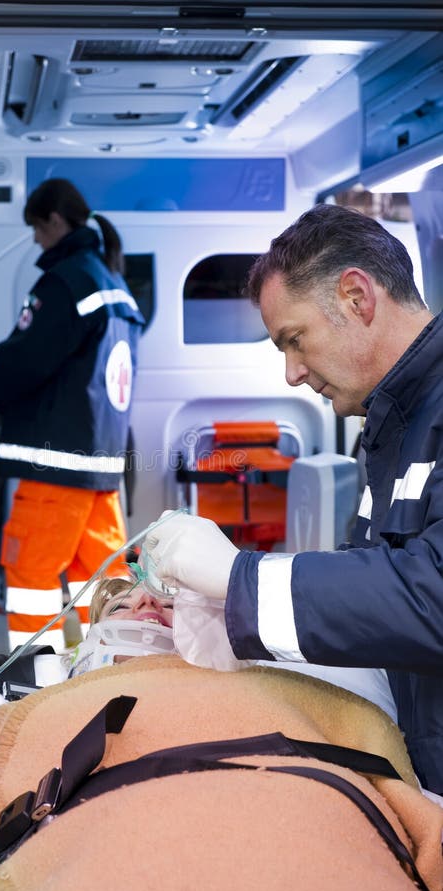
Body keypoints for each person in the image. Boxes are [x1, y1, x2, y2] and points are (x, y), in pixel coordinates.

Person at [142, 202, 443, 795]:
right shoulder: (393, 427)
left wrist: (240, 579)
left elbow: (433, 596)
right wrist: (222, 607)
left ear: (357, 298)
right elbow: (374, 585)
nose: (291, 374)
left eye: (294, 339)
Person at [0, 178, 145, 651]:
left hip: (55, 471)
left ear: (55, 221)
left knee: (31, 581)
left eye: (36, 228)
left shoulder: (65, 282)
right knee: (106, 584)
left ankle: (37, 686)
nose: (35, 240)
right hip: (101, 475)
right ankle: (118, 679)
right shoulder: (114, 285)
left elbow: (24, 358)